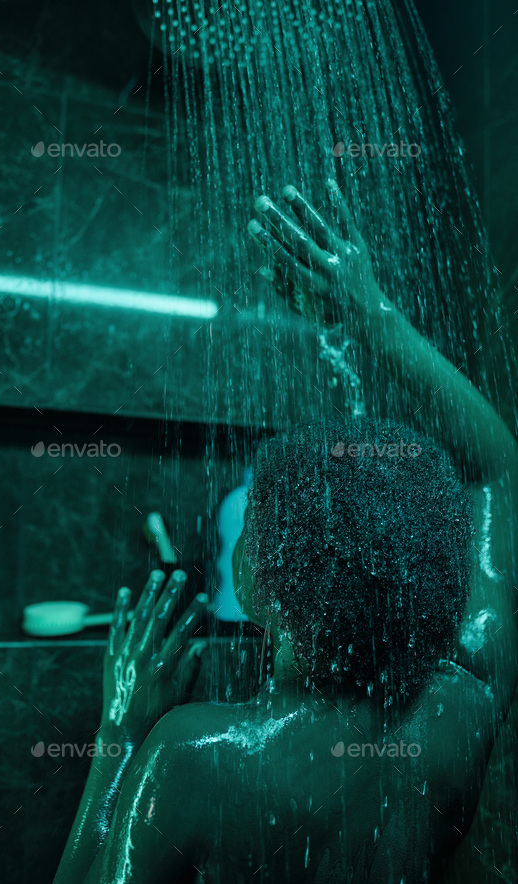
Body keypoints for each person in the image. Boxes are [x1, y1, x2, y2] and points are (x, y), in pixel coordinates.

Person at [55, 182, 518, 883]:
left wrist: (119, 733)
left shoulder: (197, 758)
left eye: (251, 525)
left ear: (267, 580)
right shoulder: (464, 701)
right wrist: (374, 317)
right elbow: (498, 473)